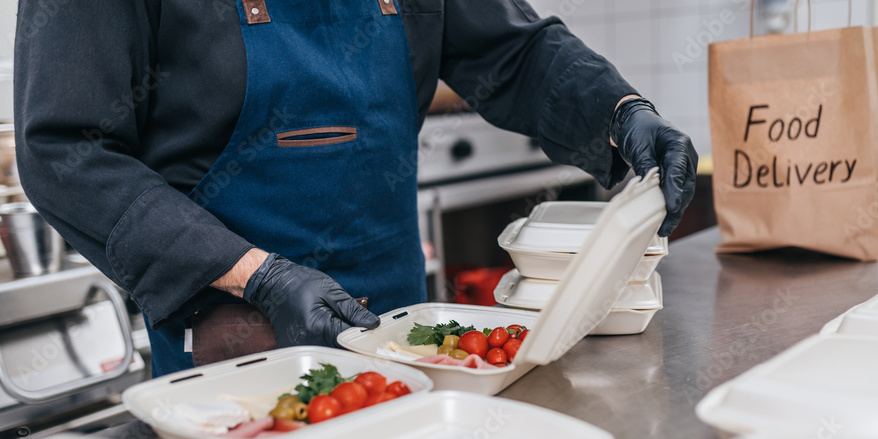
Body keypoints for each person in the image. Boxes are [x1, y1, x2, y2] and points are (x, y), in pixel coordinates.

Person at [15, 0, 697, 377]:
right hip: (236, 350)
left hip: (403, 338)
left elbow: (513, 52)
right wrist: (263, 279)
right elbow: (64, 149)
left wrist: (618, 114)